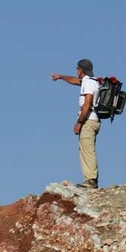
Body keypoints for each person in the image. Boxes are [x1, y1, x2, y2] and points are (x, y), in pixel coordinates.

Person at [51, 58, 101, 188]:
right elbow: (75, 81)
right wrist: (61, 77)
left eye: (77, 69)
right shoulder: (91, 81)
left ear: (80, 70)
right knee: (85, 149)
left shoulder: (89, 84)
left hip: (88, 120)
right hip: (92, 119)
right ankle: (90, 179)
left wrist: (79, 122)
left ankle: (91, 180)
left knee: (87, 149)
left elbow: (87, 103)